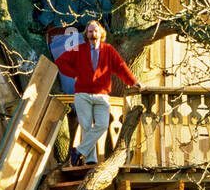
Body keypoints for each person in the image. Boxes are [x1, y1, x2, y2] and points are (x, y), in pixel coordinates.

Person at [52, 19, 142, 167]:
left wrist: (133, 82)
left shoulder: (109, 50)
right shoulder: (79, 49)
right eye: (90, 31)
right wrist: (74, 74)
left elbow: (121, 67)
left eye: (95, 30)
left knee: (102, 124)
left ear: (101, 32)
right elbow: (61, 61)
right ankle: (90, 160)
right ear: (86, 34)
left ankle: (78, 151)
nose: (93, 33)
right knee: (86, 127)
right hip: (82, 94)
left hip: (102, 95)